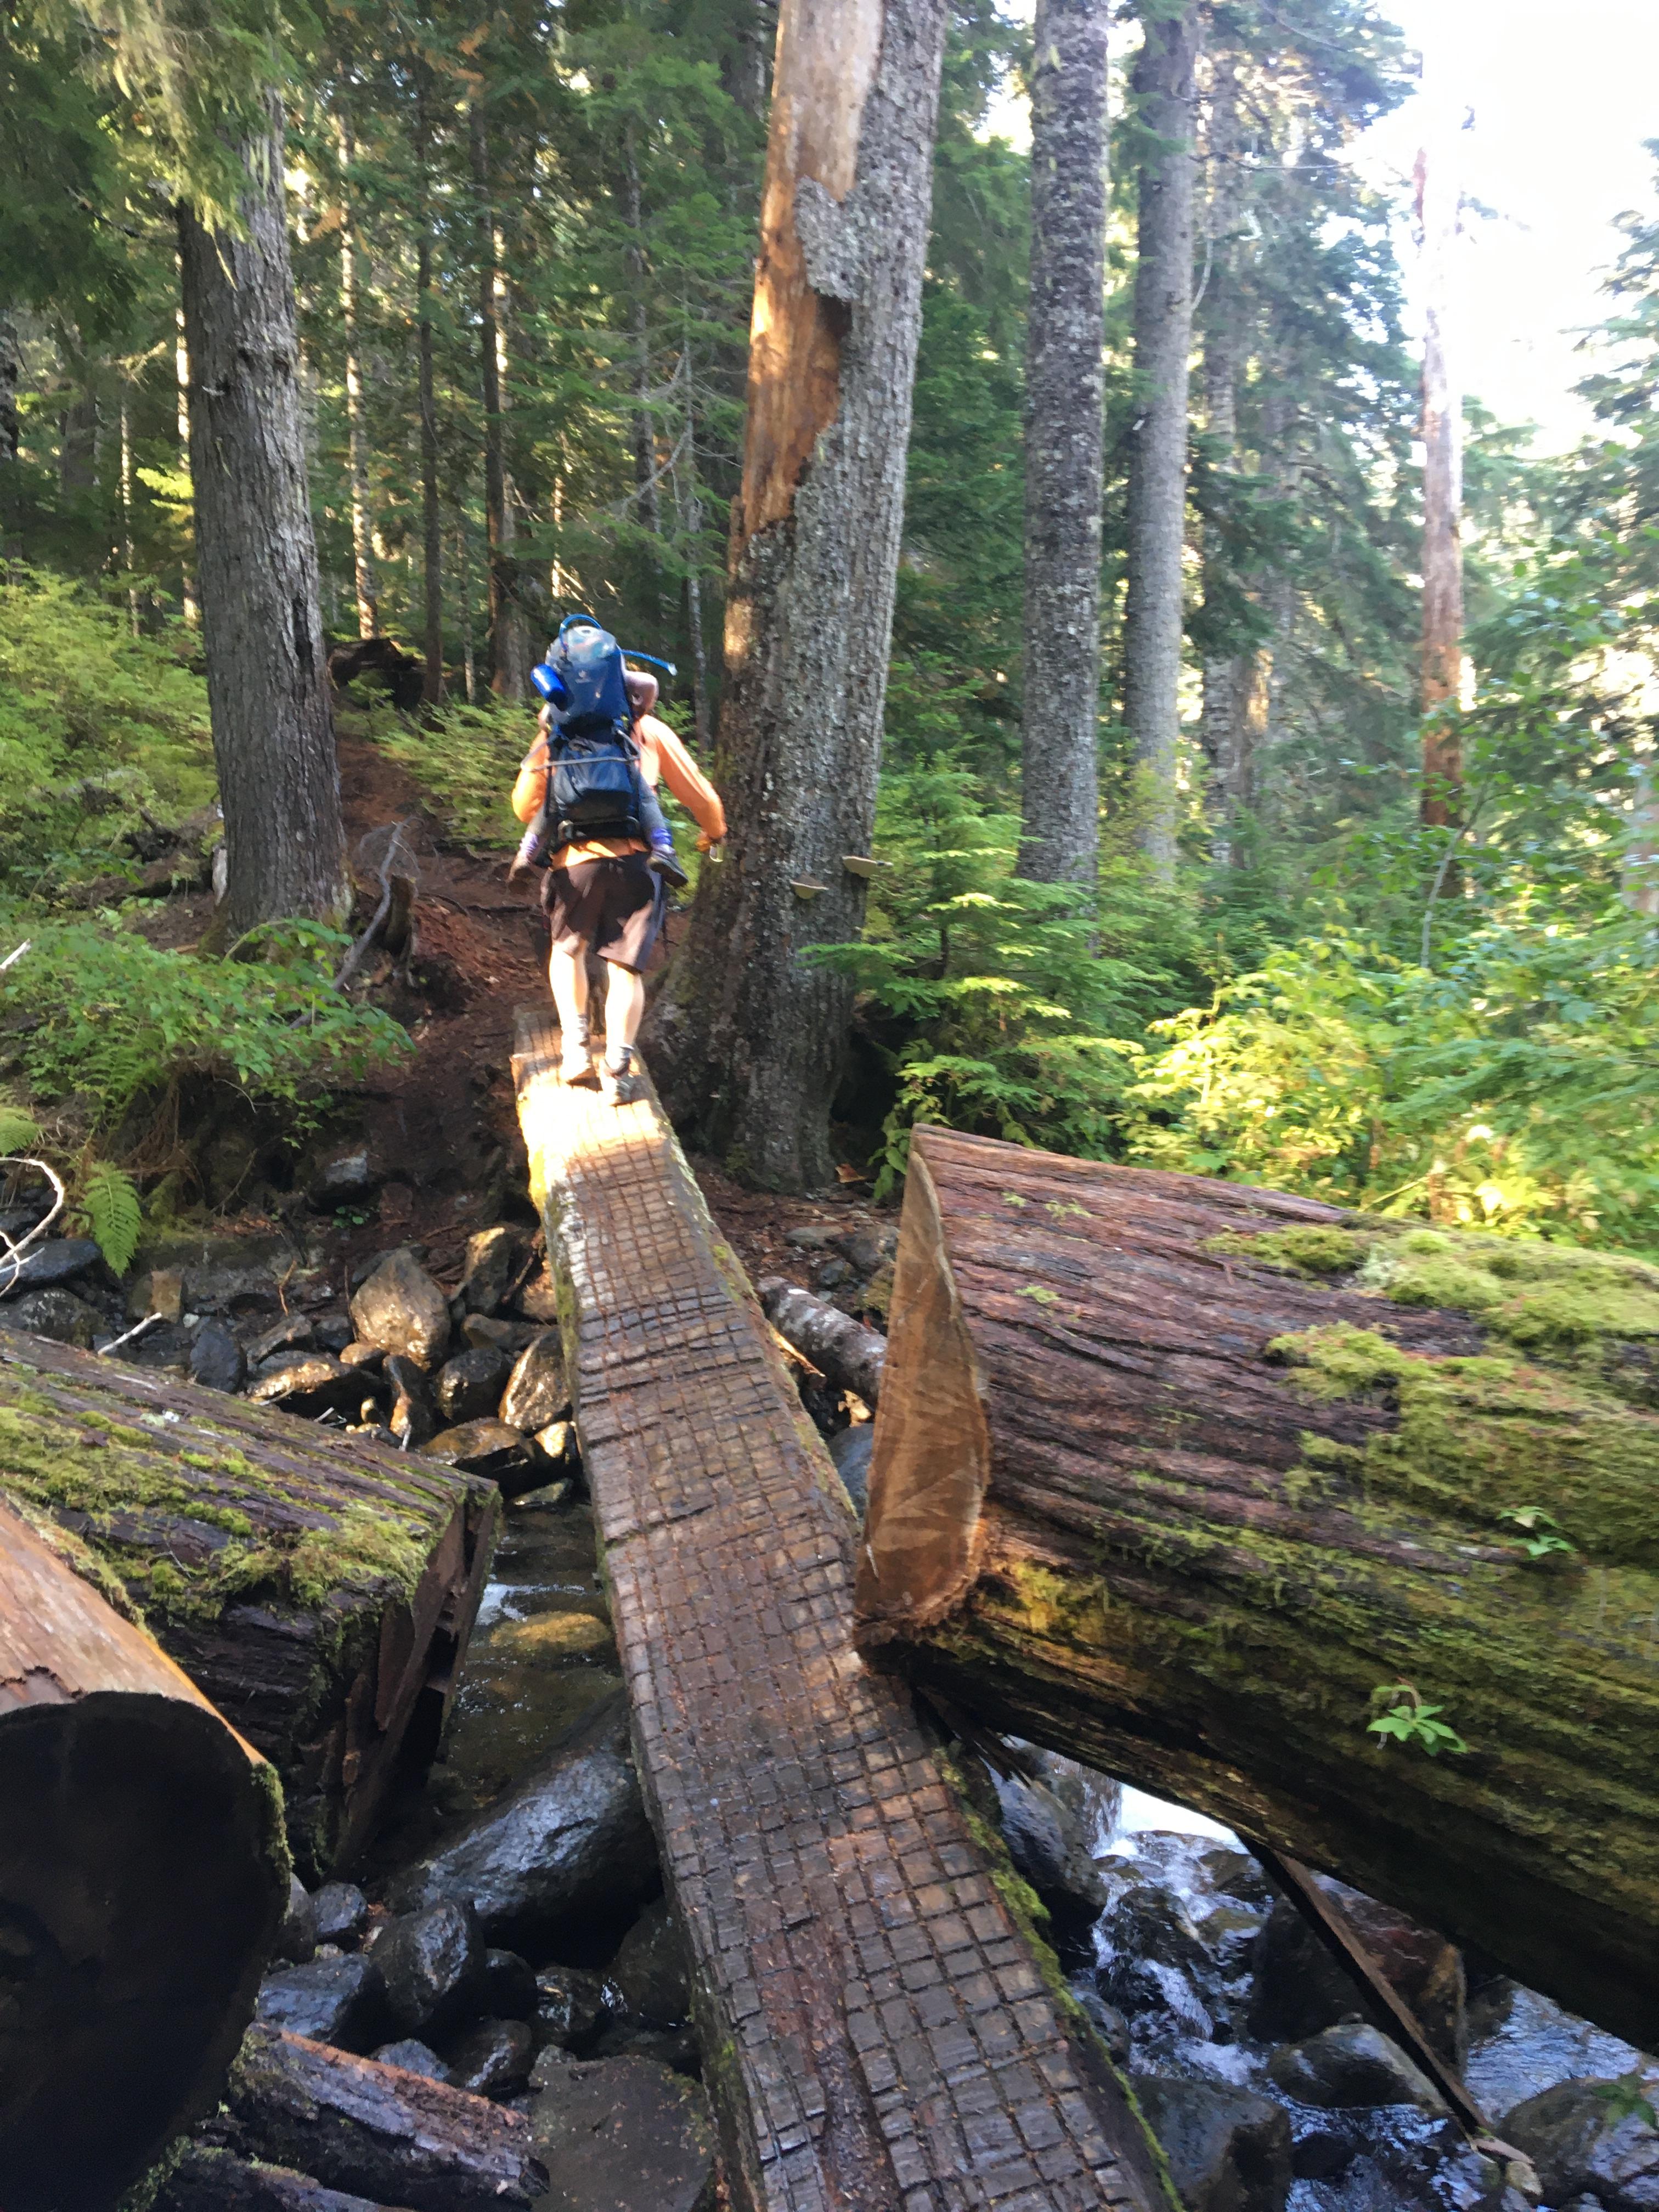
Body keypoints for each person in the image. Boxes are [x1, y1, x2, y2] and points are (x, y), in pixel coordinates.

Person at [511, 672, 726, 1104]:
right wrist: (714, 832)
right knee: (625, 969)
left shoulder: (557, 731)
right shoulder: (649, 731)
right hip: (638, 863)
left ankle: (575, 1051)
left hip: (574, 864)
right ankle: (617, 1071)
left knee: (568, 950)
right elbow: (701, 797)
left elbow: (523, 807)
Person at [510, 671, 689, 888]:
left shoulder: (559, 687)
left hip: (572, 837)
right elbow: (649, 685)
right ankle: (663, 849)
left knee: (551, 806)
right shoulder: (622, 693)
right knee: (645, 798)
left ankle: (525, 855)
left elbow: (524, 807)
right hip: (630, 839)